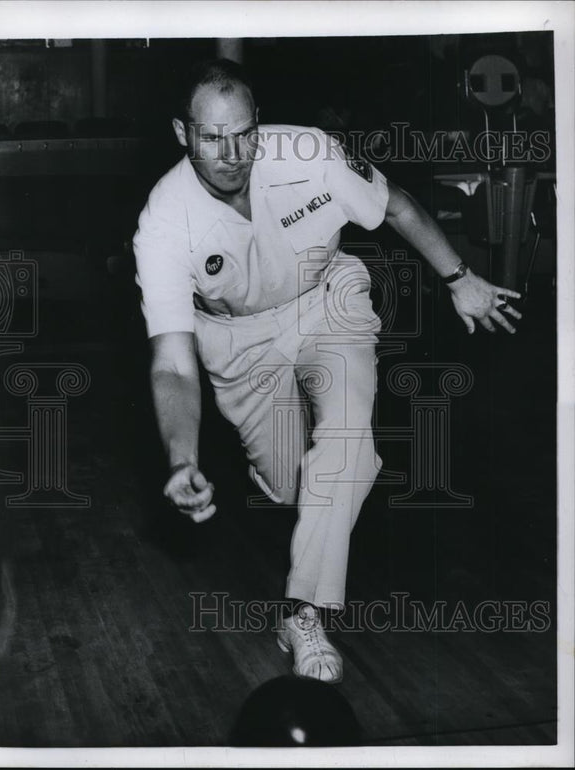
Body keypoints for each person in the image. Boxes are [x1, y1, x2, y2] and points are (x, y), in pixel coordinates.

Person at [133, 58, 522, 684]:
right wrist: (182, 458)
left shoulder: (313, 154)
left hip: (327, 300)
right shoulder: (162, 222)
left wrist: (459, 277)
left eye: (244, 132)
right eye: (211, 137)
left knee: (347, 450)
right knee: (296, 485)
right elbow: (174, 363)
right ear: (183, 133)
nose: (233, 154)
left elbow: (396, 206)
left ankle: (303, 613)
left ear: (261, 123)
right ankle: (298, 481)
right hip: (237, 338)